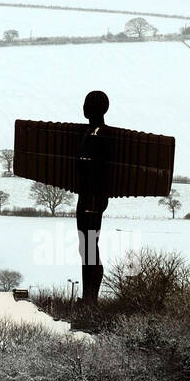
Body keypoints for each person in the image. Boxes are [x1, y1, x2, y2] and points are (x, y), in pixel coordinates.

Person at [75, 90, 111, 303]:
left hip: (92, 197)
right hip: (87, 195)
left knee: (89, 248)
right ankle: (87, 297)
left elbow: (93, 166)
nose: (84, 108)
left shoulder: (99, 134)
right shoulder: (91, 131)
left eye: (87, 104)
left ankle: (91, 298)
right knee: (86, 247)